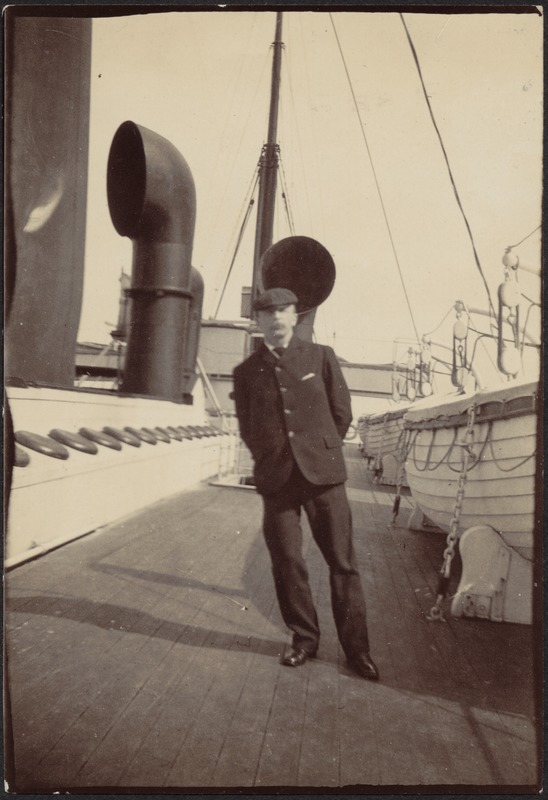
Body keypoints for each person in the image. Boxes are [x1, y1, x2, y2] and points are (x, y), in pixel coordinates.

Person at [233, 287, 379, 681]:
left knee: (342, 564)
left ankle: (357, 651)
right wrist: (269, 458)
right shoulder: (246, 373)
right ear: (258, 320)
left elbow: (342, 411)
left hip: (323, 476)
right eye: (268, 312)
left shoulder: (321, 357)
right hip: (277, 480)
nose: (277, 318)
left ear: (295, 316)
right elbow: (248, 427)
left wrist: (322, 450)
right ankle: (304, 639)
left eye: (284, 310)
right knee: (287, 562)